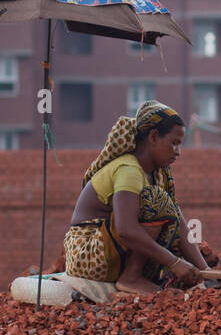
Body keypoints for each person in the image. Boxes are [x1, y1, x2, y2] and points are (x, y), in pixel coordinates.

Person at [63, 100, 206, 294]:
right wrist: (175, 262)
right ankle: (131, 279)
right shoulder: (129, 169)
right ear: (154, 137)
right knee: (156, 201)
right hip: (87, 256)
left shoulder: (157, 174)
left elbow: (179, 222)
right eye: (174, 143)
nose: (178, 152)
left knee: (166, 207)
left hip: (112, 255)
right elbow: (126, 230)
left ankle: (137, 275)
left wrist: (205, 272)